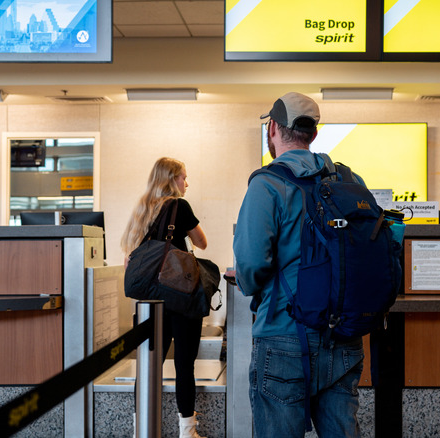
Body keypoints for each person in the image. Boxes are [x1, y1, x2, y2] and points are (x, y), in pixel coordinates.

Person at [233, 92, 364, 437]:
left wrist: (249, 283)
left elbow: (250, 265)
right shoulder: (349, 181)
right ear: (314, 134)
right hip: (344, 336)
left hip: (283, 335)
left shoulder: (267, 185)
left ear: (273, 128)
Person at [120, 157, 208, 438]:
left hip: (150, 304)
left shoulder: (142, 209)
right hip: (180, 298)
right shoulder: (179, 205)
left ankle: (140, 428)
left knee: (149, 366)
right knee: (184, 364)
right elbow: (202, 242)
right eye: (184, 177)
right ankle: (187, 431)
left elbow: (129, 261)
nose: (187, 183)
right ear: (172, 179)